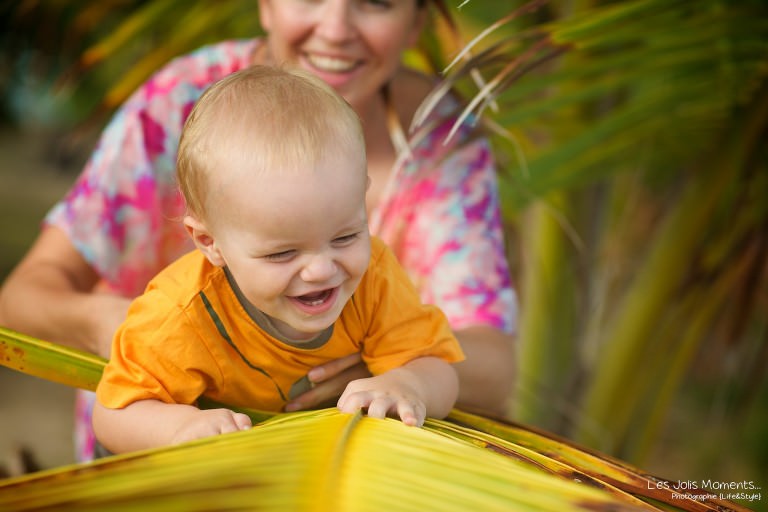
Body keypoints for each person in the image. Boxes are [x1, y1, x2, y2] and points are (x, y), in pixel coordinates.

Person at [0, 0, 517, 460]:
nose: (336, 27)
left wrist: (404, 380)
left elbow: (476, 364)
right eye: (280, 252)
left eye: (374, 2)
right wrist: (175, 418)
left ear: (415, 22)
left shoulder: (385, 258)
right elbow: (100, 396)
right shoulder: (176, 309)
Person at [92, 66, 463, 453]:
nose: (321, 269)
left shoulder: (375, 277)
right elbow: (113, 413)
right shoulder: (181, 315)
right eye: (282, 253)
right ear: (209, 242)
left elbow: (436, 366)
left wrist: (410, 384)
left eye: (346, 236)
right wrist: (180, 427)